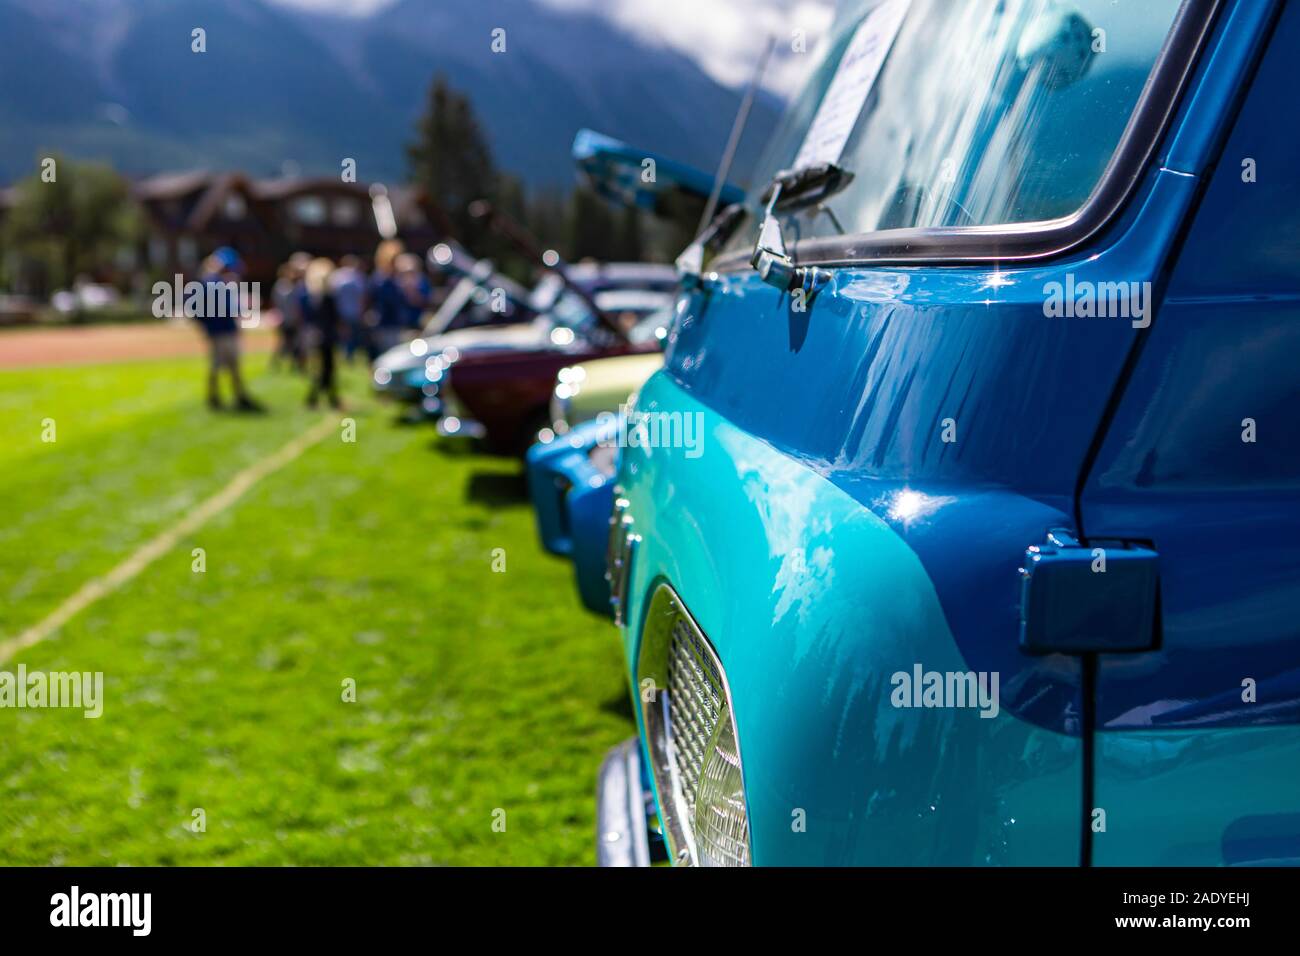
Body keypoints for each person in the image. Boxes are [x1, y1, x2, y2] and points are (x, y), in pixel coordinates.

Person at [194, 247, 264, 412]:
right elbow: (197, 309)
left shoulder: (220, 283)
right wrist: (209, 325)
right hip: (219, 331)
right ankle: (216, 397)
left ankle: (236, 396)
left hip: (226, 330)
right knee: (218, 364)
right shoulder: (209, 283)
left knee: (231, 365)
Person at [298, 257, 343, 409]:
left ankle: (325, 397)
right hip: (318, 335)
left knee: (327, 368)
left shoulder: (325, 296)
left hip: (324, 335)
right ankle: (319, 397)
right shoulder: (310, 295)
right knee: (320, 368)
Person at [330, 254, 367, 363]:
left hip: (341, 312)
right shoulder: (357, 276)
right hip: (355, 312)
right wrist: (362, 311)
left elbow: (333, 295)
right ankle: (349, 356)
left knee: (345, 336)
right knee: (353, 335)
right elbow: (362, 296)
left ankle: (346, 355)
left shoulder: (337, 276)